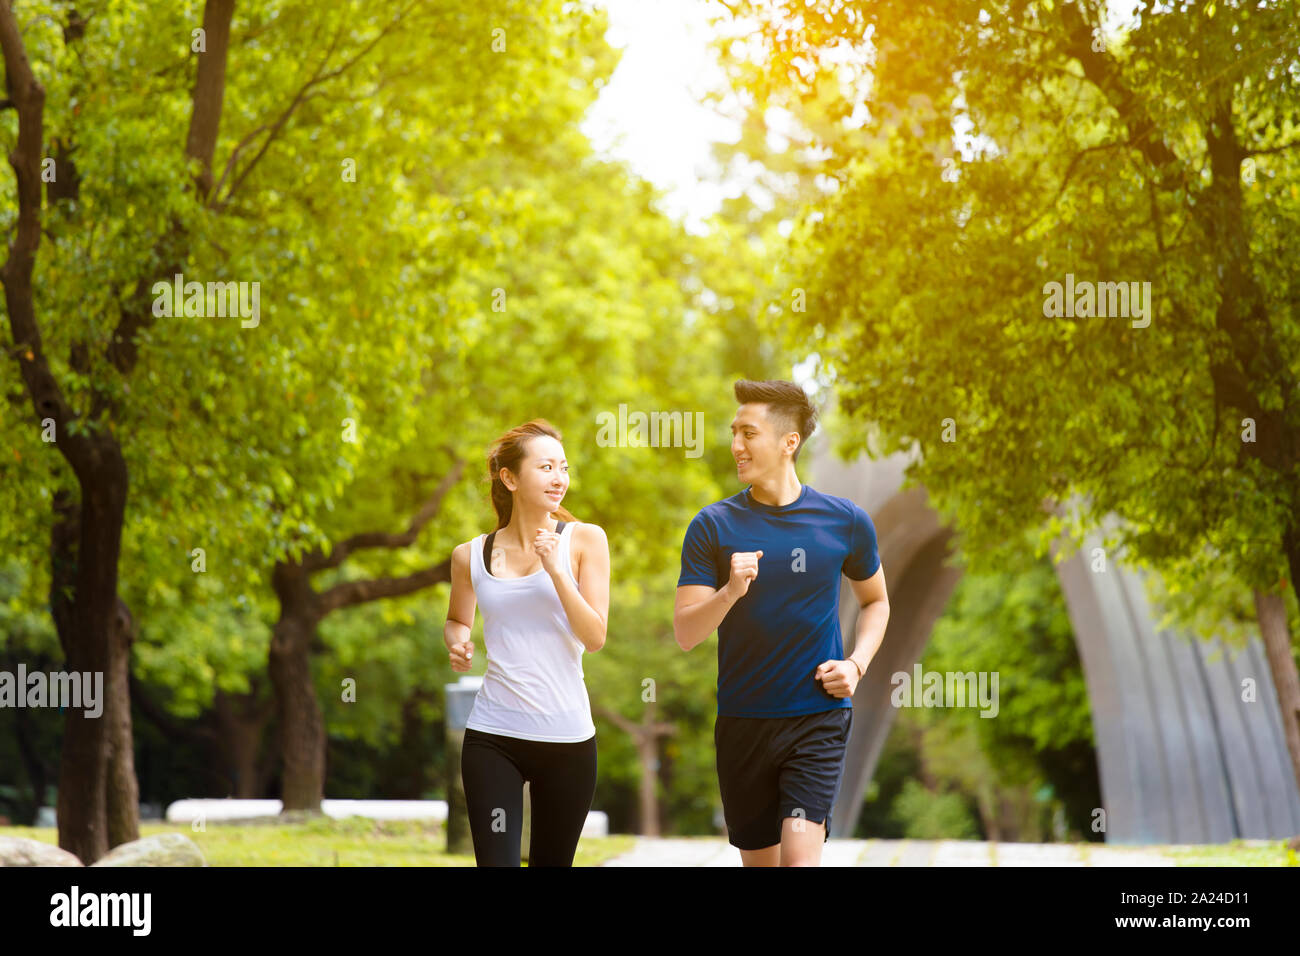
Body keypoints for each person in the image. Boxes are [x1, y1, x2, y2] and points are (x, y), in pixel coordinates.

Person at [674, 379, 890, 866]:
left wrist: (855, 665)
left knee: (799, 857)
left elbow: (876, 602)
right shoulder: (712, 526)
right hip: (743, 721)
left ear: (788, 442)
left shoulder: (844, 521)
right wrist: (730, 592)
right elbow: (686, 632)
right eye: (734, 433)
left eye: (748, 433)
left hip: (816, 716)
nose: (736, 445)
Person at [444, 419, 610, 866]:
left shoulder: (585, 541)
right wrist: (458, 642)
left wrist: (556, 570)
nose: (560, 478)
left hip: (568, 740)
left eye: (564, 468)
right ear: (510, 478)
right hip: (494, 736)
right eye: (546, 467)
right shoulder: (470, 555)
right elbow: (458, 618)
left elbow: (594, 636)